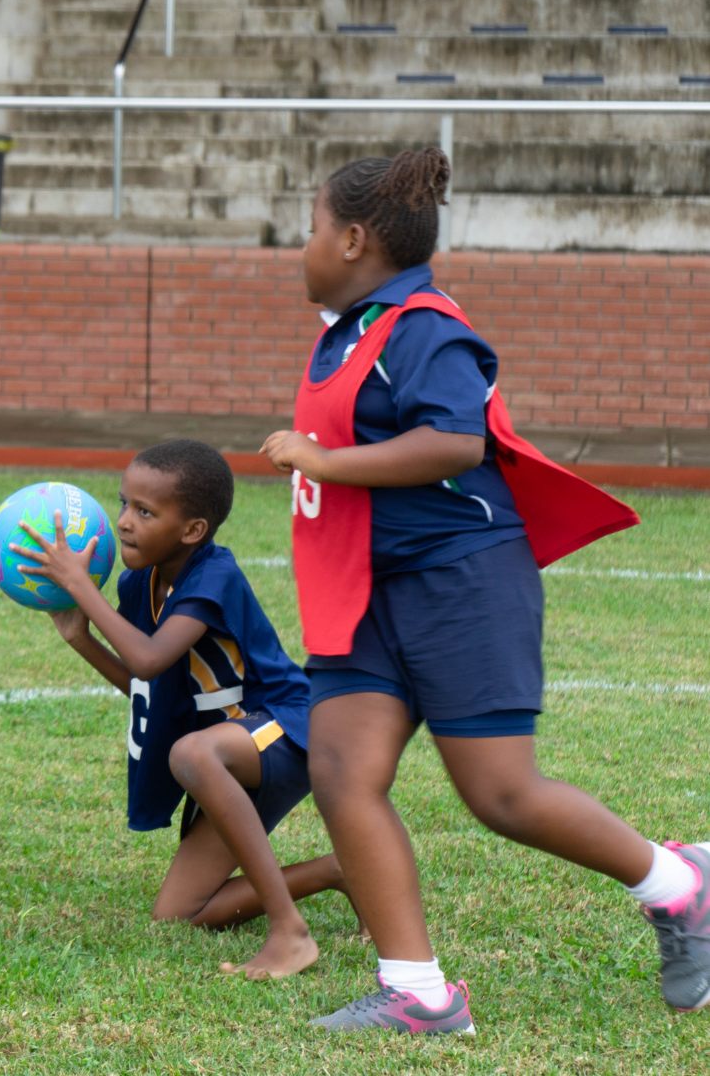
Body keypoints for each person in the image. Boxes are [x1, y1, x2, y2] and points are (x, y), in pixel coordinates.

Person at [259, 147, 707, 1033]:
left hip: (461, 582)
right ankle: (420, 993)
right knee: (344, 772)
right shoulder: (348, 326)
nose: (299, 246)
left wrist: (324, 460)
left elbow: (456, 443)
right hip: (367, 591)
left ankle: (680, 885)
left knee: (501, 794)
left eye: (310, 230)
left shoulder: (424, 326)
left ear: (353, 239)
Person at [10, 442, 342, 982]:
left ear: (192, 530)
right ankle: (336, 871)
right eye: (123, 504)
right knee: (178, 915)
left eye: (145, 511)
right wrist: (80, 638)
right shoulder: (139, 583)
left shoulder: (216, 576)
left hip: (290, 728)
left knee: (191, 752)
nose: (123, 523)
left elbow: (145, 656)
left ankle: (291, 932)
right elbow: (151, 685)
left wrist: (76, 584)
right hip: (226, 753)